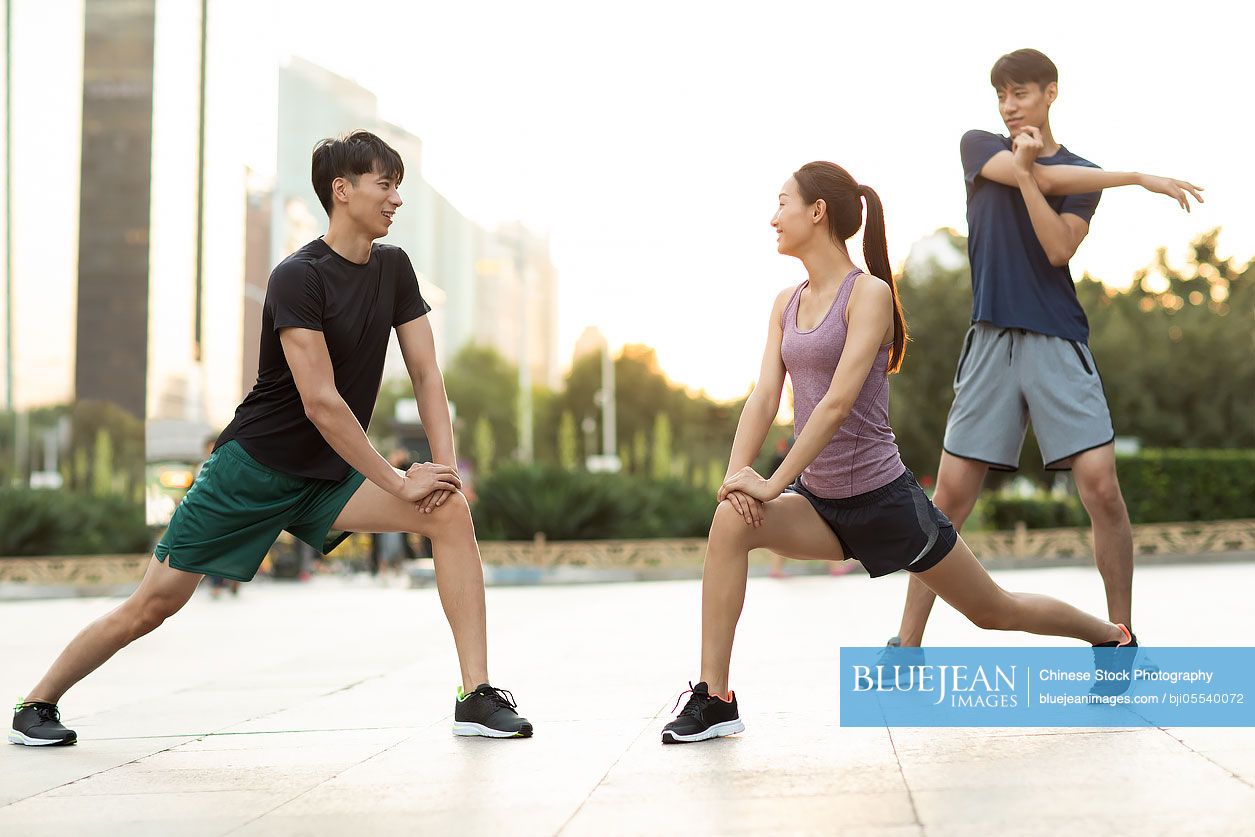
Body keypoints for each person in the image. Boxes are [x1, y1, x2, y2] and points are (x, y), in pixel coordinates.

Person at [10, 130, 531, 747]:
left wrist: (442, 472)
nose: (396, 199)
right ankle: (36, 703)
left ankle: (476, 694)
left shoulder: (393, 268)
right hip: (252, 470)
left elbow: (425, 372)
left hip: (327, 475)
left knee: (448, 513)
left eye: (398, 187)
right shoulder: (297, 277)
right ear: (342, 190)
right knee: (153, 605)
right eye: (385, 185)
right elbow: (321, 403)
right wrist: (397, 480)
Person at [660, 161, 1135, 745]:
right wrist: (738, 475)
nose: (773, 217)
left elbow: (836, 403)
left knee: (995, 610)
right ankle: (715, 697)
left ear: (817, 212)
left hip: (886, 503)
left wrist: (771, 482)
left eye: (783, 202)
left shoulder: (870, 295)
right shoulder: (785, 303)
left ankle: (1111, 638)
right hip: (820, 506)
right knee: (730, 521)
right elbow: (764, 396)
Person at [886, 48, 1202, 658]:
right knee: (948, 498)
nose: (1009, 106)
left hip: (1058, 337)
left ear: (1050, 93)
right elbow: (1043, 178)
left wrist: (1036, 174)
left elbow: (1057, 247)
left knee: (1101, 489)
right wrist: (1133, 177)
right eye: (1001, 95)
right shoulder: (979, 146)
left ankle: (1119, 640)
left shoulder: (1082, 175)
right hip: (990, 340)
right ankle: (907, 644)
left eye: (1021, 93)